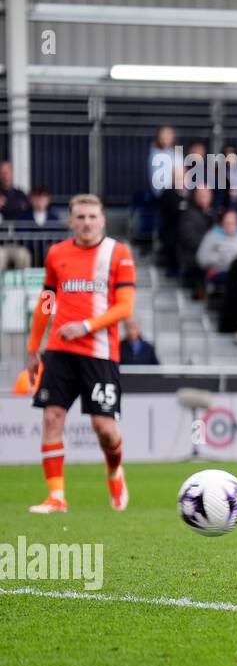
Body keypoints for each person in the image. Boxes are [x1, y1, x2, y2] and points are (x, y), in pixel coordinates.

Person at [26, 194, 135, 513]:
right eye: (80, 217)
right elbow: (47, 300)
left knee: (104, 427)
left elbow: (125, 307)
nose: (86, 222)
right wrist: (34, 347)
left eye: (92, 216)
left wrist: (86, 326)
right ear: (71, 221)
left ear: (102, 220)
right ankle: (56, 497)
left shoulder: (118, 253)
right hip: (59, 350)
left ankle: (115, 472)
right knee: (51, 416)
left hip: (99, 352)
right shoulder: (57, 253)